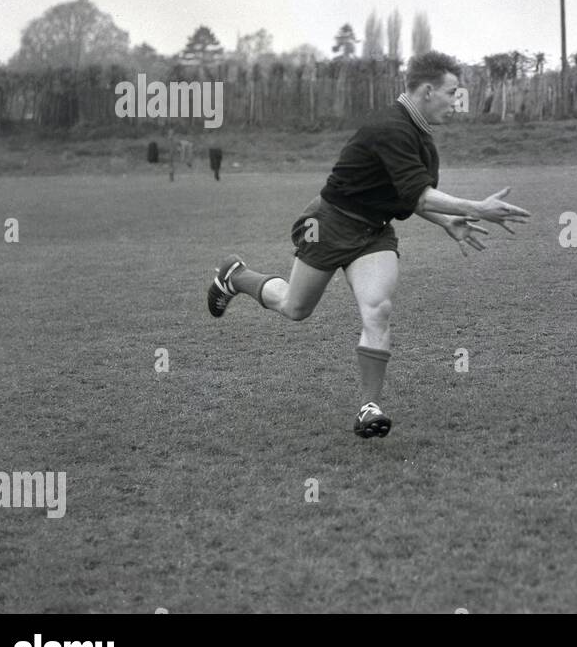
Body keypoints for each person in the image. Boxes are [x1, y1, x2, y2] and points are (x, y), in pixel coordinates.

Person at [206, 51, 530, 436]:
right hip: (327, 223)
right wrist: (478, 207)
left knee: (378, 309)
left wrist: (449, 222)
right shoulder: (390, 127)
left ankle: (369, 407)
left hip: (374, 232)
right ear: (428, 90)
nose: (455, 101)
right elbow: (420, 195)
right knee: (294, 308)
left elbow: (412, 196)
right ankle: (236, 275)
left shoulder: (422, 137)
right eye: (451, 92)